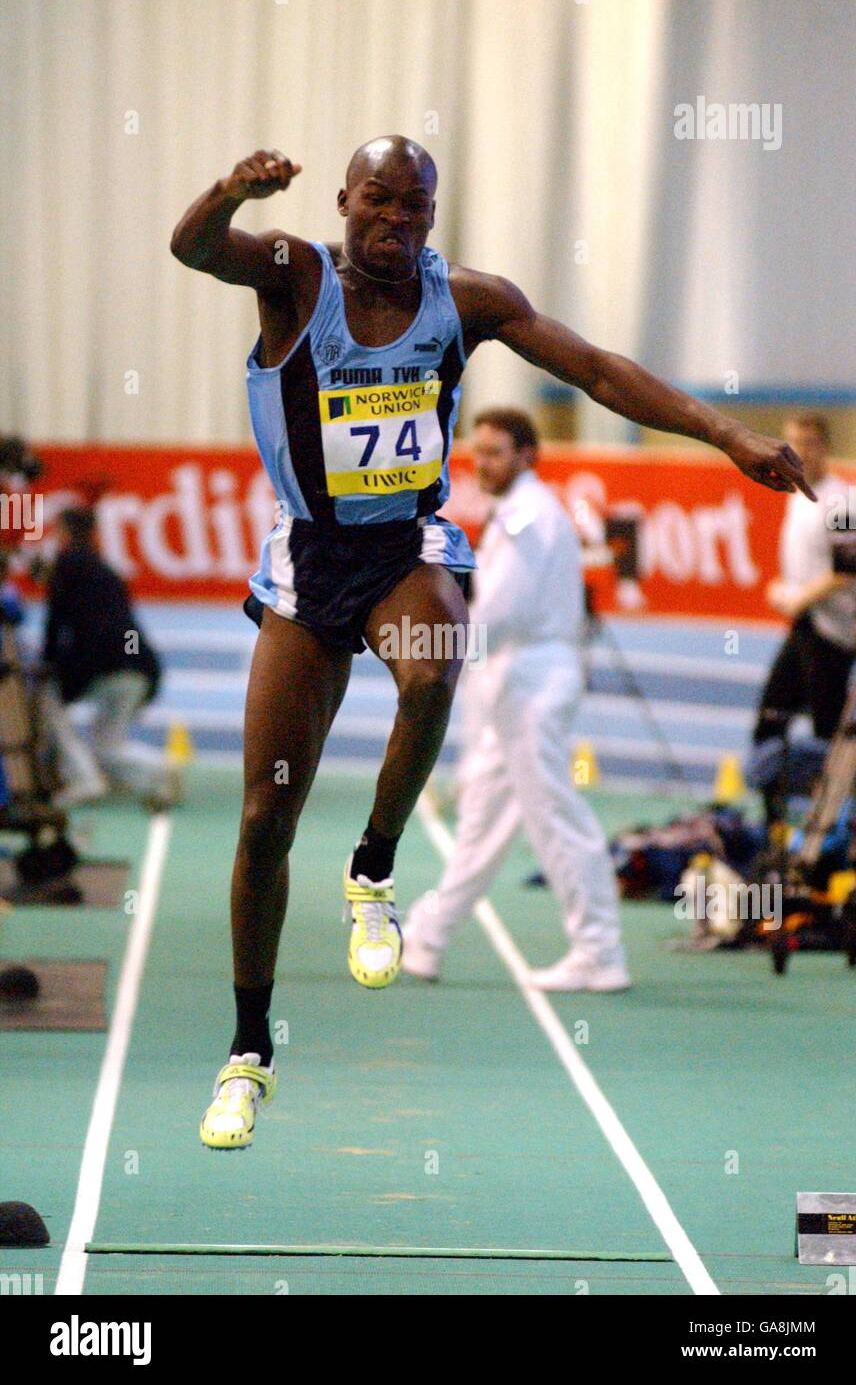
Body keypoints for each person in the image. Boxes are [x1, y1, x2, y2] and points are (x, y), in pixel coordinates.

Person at [170, 136, 812, 1149]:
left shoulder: (466, 300)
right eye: (377, 200)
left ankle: (373, 869)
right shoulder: (295, 276)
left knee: (434, 667)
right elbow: (193, 248)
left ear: (433, 212)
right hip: (309, 556)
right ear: (343, 201)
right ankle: (249, 1052)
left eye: (414, 205)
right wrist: (229, 191)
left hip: (404, 546)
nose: (395, 220)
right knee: (263, 817)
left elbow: (596, 370)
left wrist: (723, 433)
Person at [402, 408, 629, 990]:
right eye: (477, 451)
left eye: (495, 452)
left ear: (528, 456)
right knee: (482, 820)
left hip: (532, 680)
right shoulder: (519, 513)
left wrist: (428, 652)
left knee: (554, 817)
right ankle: (427, 937)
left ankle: (599, 951)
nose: (482, 463)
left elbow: (498, 613)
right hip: (516, 680)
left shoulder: (528, 517)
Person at [753, 414, 856, 820]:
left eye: (809, 443)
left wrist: (800, 598)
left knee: (827, 735)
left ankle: (833, 824)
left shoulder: (845, 499)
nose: (801, 452)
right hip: (803, 627)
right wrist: (782, 590)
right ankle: (773, 824)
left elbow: (847, 571)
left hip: (834, 634)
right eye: (793, 444)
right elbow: (806, 565)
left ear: (825, 447)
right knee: (770, 721)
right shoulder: (795, 495)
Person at [40, 507, 173, 810]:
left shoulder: (66, 566)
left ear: (64, 534)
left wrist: (51, 668)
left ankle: (83, 778)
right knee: (107, 746)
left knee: (46, 700)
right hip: (140, 669)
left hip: (109, 667)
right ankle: (158, 771)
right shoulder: (107, 571)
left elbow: (56, 625)